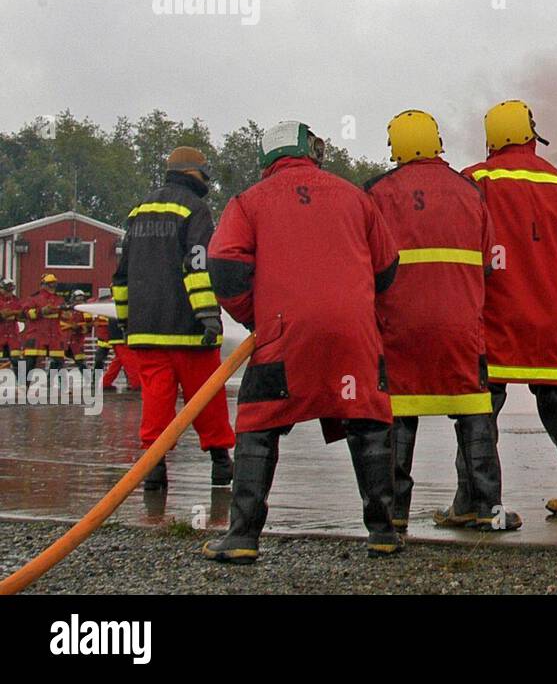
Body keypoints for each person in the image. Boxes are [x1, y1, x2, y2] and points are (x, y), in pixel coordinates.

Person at [203, 120, 402, 563]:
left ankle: (241, 538)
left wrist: (256, 319)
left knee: (258, 425)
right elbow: (388, 269)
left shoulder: (248, 202)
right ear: (311, 151)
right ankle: (383, 532)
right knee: (368, 421)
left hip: (282, 333)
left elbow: (224, 268)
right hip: (354, 335)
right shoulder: (356, 197)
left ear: (266, 157)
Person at [366, 109, 519, 532]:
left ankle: (392, 517)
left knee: (398, 418)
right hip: (461, 330)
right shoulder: (470, 191)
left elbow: (368, 265)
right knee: (474, 415)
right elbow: (489, 260)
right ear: (437, 143)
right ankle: (489, 510)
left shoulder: (377, 192)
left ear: (396, 146)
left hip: (398, 330)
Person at [463, 100, 557, 521]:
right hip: (552, 320)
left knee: (480, 412)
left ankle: (480, 506)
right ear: (529, 136)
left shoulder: (474, 181)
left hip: (494, 319)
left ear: (491, 139)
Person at [113, 146, 235, 491]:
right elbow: (197, 266)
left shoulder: (138, 211)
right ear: (196, 174)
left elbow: (121, 276)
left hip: (146, 330)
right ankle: (220, 463)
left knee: (156, 399)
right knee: (206, 396)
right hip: (188, 329)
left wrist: (126, 322)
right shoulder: (195, 209)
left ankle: (154, 470)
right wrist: (209, 316)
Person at [20, 274, 64, 373]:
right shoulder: (34, 299)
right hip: (37, 335)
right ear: (43, 285)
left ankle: (58, 386)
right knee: (30, 362)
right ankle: (23, 386)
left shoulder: (59, 299)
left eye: (54, 284)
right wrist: (41, 311)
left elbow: (64, 316)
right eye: (50, 284)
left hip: (54, 336)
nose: (52, 286)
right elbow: (24, 313)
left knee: (59, 362)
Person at [0, 279, 20, 368]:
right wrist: (14, 313)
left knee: (19, 361)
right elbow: (3, 315)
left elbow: (22, 314)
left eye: (11, 290)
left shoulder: (16, 300)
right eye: (7, 289)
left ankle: (22, 381)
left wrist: (10, 313)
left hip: (13, 336)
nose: (9, 292)